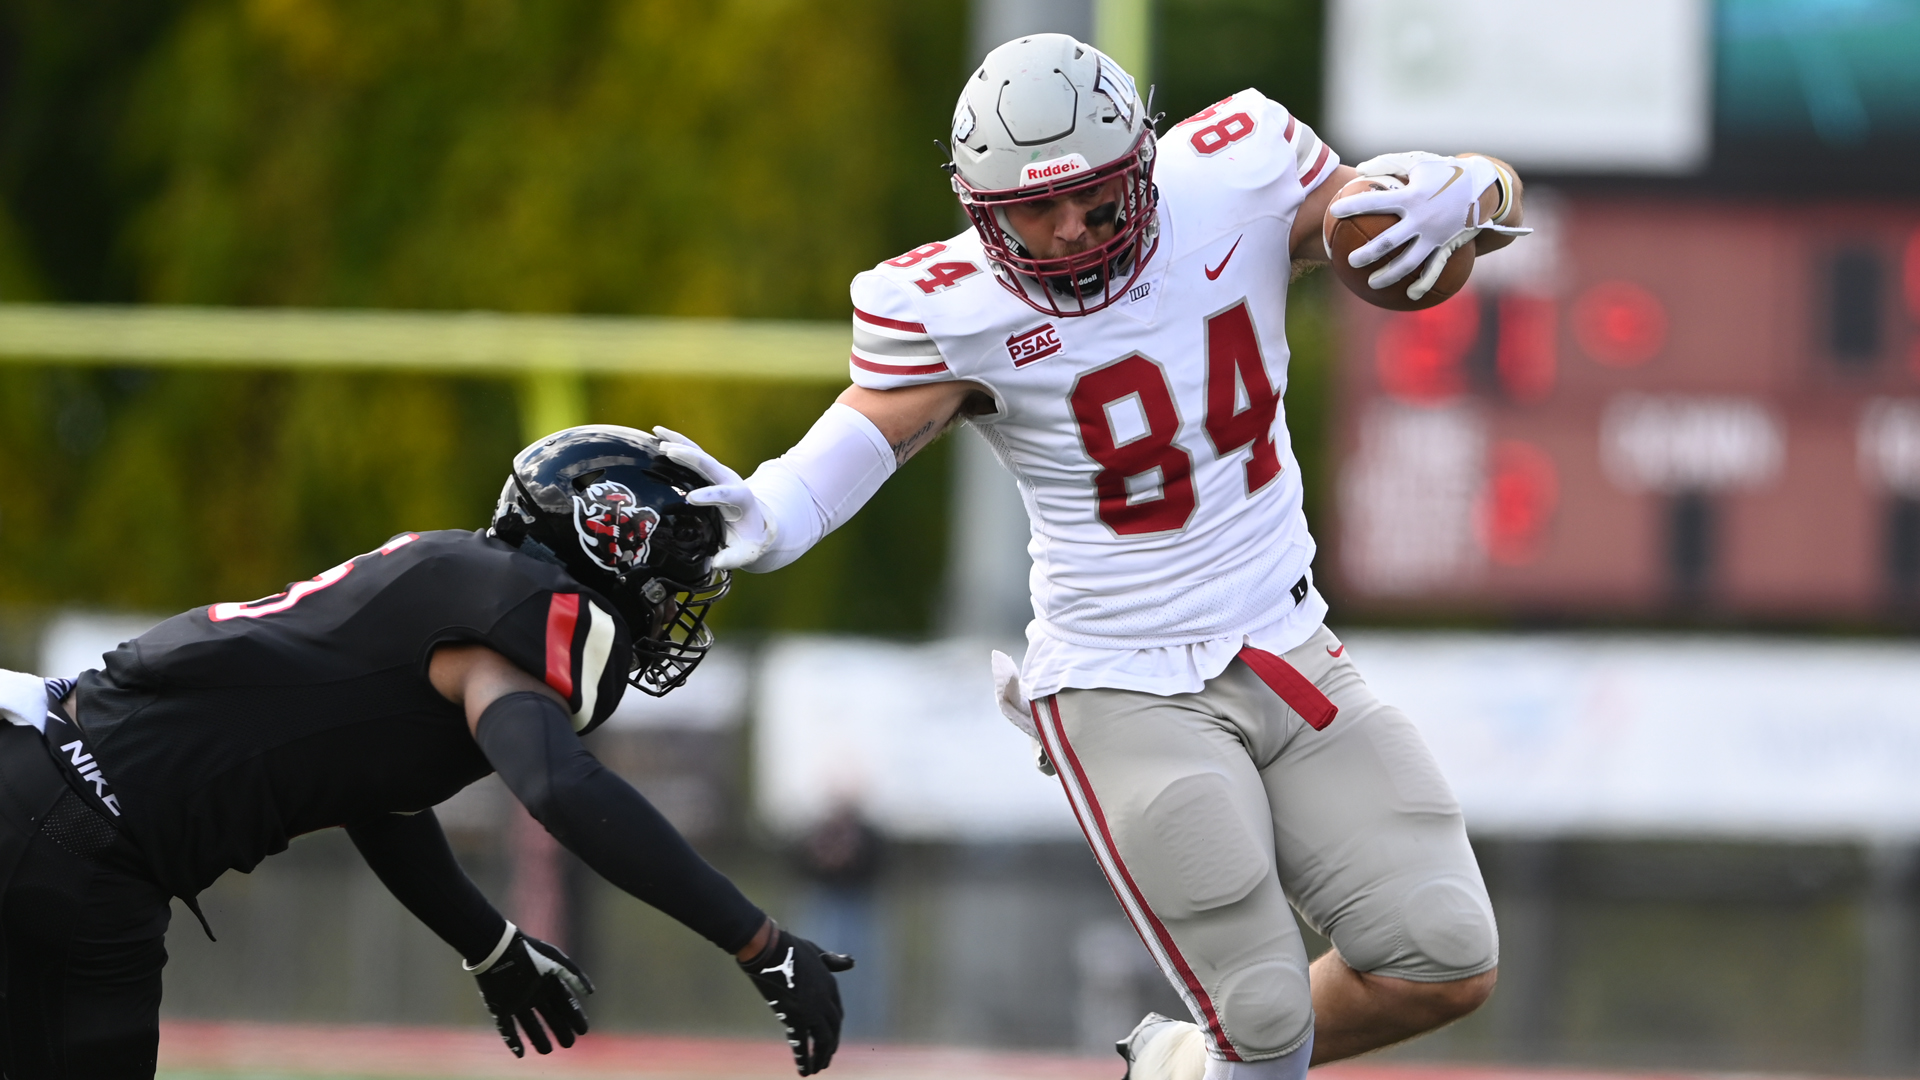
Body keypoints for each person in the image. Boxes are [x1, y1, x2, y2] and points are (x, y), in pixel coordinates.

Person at [654, 34, 1527, 1080]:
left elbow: (1399, 245)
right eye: (1036, 209)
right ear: (983, 212)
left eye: (1099, 200)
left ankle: (1180, 1069)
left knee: (1444, 958)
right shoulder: (953, 305)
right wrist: (767, 514)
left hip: (1286, 639)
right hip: (1120, 682)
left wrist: (1468, 194)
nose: (1072, 231)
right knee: (1262, 1016)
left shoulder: (1238, 173)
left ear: (1147, 164)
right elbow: (863, 437)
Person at [0, 426, 851, 1080]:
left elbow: (373, 793)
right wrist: (758, 941)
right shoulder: (524, 611)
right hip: (76, 837)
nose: (672, 608)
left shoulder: (451, 581)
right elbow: (558, 785)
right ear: (611, 541)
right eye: (674, 576)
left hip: (50, 793)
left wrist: (489, 942)